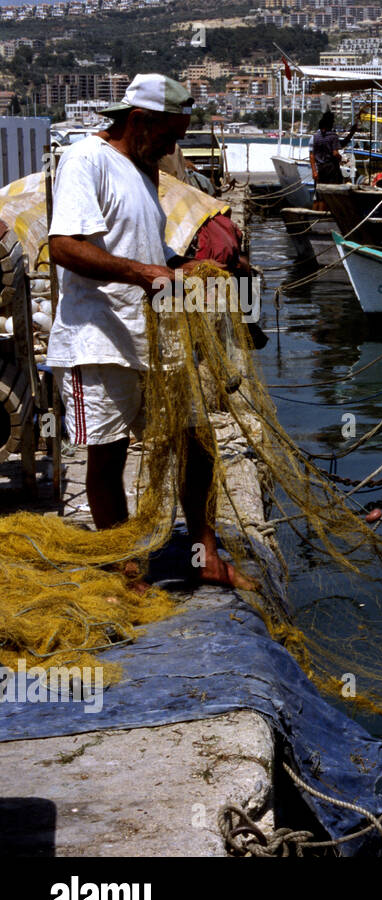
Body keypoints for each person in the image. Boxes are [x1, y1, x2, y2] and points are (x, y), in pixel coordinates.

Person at [45, 73, 255, 590]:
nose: (174, 146)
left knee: (196, 440)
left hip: (151, 333)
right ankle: (124, 568)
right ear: (139, 120)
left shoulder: (142, 171)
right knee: (108, 452)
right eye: (170, 134)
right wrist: (145, 275)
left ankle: (204, 557)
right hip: (100, 335)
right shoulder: (85, 159)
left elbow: (145, 251)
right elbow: (64, 246)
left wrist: (188, 268)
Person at [309, 110, 358, 187]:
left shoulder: (314, 137)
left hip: (320, 169)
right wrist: (342, 159)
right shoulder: (333, 137)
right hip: (332, 170)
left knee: (320, 191)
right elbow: (335, 153)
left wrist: (314, 171)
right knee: (333, 190)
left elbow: (311, 155)